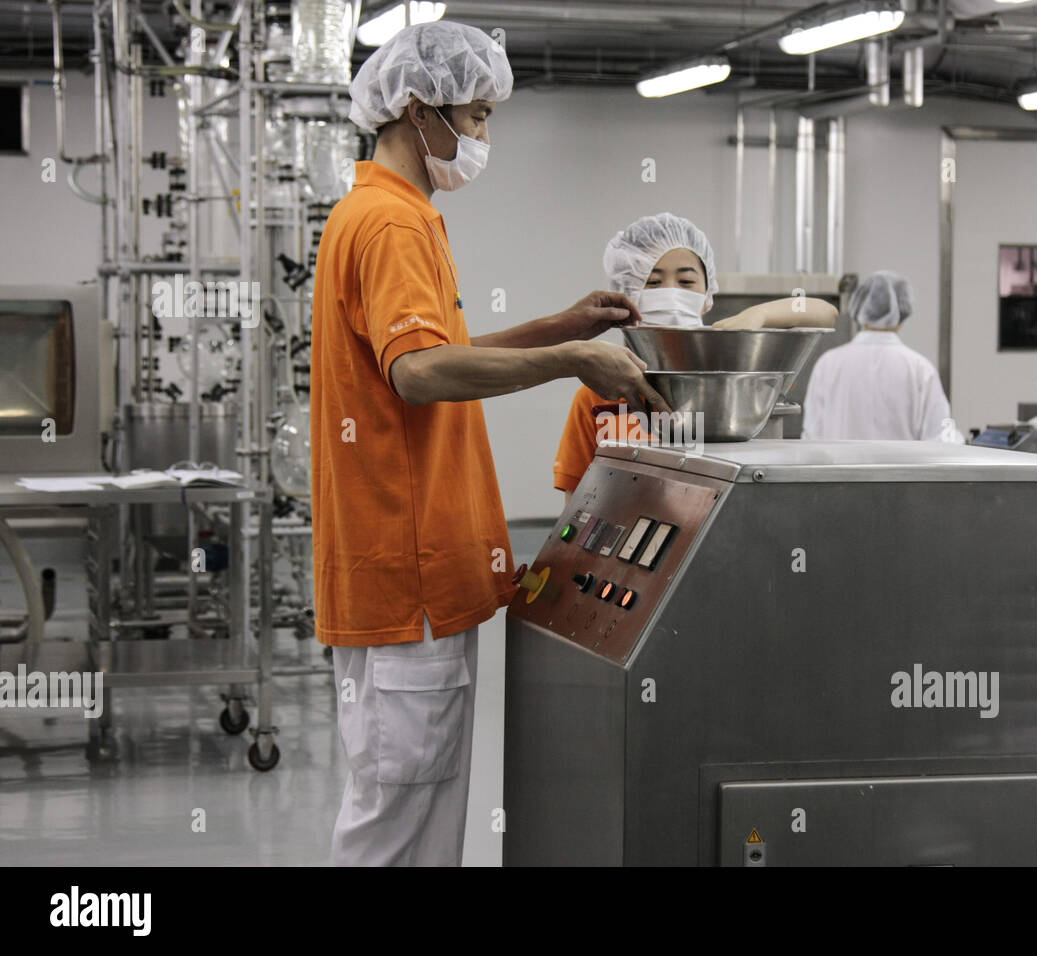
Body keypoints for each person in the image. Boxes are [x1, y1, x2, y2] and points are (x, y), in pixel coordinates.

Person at [311, 21, 667, 867]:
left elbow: (443, 351)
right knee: (398, 829)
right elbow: (419, 374)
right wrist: (571, 362)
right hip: (409, 580)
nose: (481, 136)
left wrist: (561, 328)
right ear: (417, 109)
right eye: (475, 116)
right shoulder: (391, 224)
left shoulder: (396, 214)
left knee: (411, 815)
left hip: (409, 581)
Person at [552, 212, 838, 502]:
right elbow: (577, 503)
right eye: (653, 282)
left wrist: (760, 314)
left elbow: (825, 312)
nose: (671, 293)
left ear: (707, 294)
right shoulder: (599, 393)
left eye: (686, 281)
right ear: (626, 293)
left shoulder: (728, 370)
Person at [802, 270, 956, 442]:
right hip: (901, 462)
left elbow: (812, 437)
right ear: (902, 314)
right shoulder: (920, 369)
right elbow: (940, 439)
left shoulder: (828, 364)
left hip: (838, 461)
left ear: (859, 309)